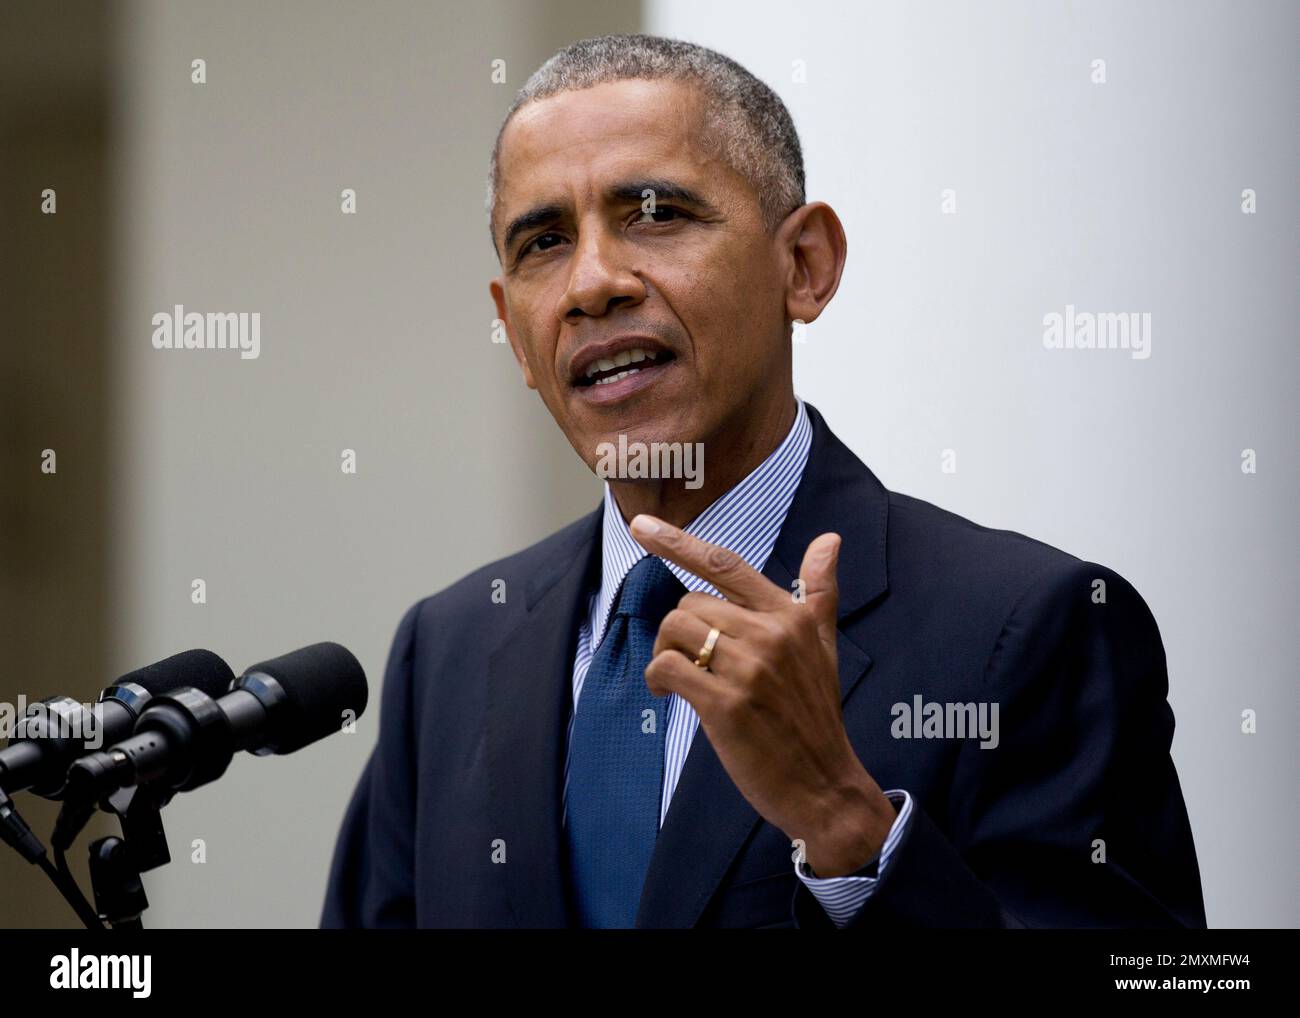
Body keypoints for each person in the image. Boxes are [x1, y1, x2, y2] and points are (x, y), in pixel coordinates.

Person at [320, 34, 1205, 929]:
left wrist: (846, 826)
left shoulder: (1033, 629)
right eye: (545, 241)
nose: (592, 284)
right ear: (515, 333)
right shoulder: (451, 651)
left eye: (656, 214)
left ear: (804, 265)